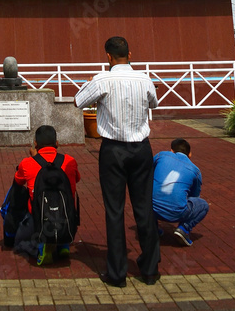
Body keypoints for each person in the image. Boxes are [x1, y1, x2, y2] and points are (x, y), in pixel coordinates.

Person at [75, 36, 160, 288]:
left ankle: (117, 273)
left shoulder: (103, 79)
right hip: (141, 148)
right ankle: (150, 270)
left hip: (113, 150)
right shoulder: (144, 78)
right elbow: (154, 103)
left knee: (115, 210)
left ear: (108, 57)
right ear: (129, 54)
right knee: (144, 207)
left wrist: (90, 84)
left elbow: (78, 101)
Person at [10, 124, 80, 266]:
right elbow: (77, 179)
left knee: (19, 242)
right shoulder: (69, 162)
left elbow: (17, 182)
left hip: (39, 219)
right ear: (57, 144)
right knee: (64, 205)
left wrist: (34, 158)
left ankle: (41, 249)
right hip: (67, 219)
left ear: (35, 144)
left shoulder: (27, 163)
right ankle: (63, 245)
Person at [152, 138, 209, 247]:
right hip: (177, 212)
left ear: (171, 150)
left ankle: (152, 227)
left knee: (152, 189)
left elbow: (149, 171)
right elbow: (195, 196)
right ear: (190, 155)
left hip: (151, 208)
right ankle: (184, 228)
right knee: (203, 205)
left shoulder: (161, 156)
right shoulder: (195, 170)